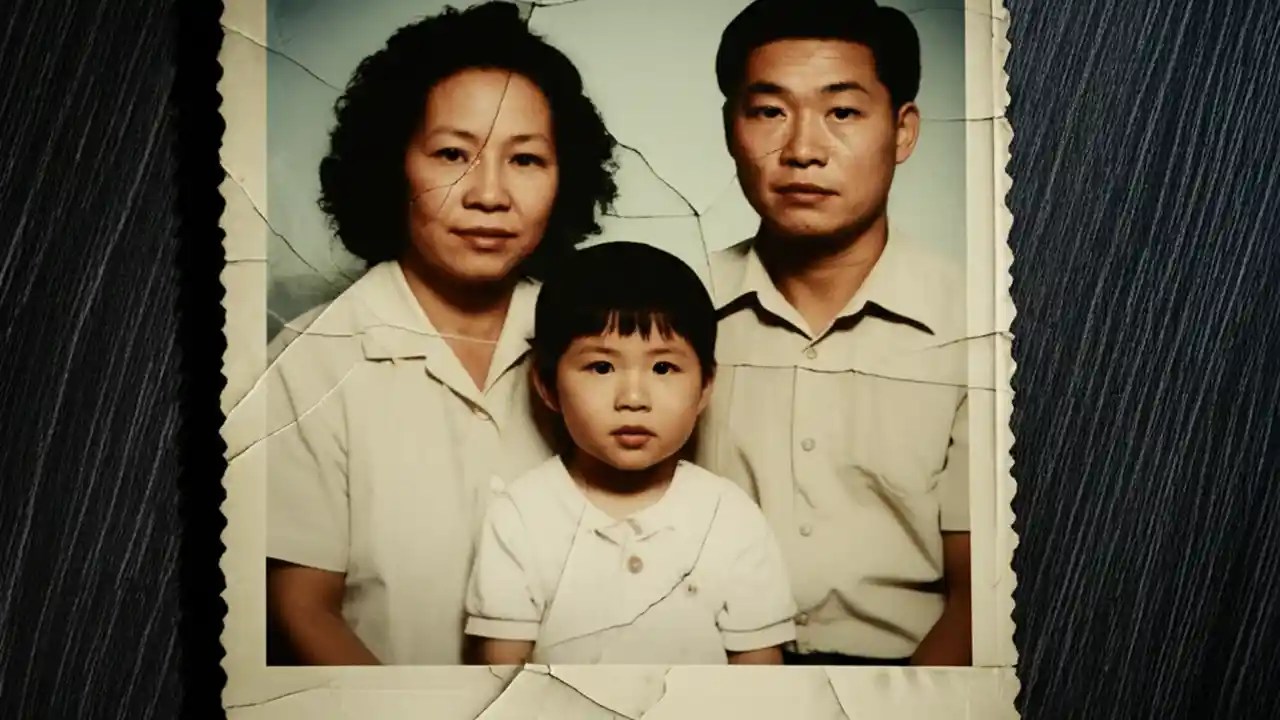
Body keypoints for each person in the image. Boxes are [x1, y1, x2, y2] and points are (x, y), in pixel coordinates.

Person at [263, 1, 618, 665]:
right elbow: (300, 610)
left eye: (527, 160)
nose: (490, 193)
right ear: (392, 165)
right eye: (453, 154)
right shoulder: (308, 362)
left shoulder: (598, 346)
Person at [694, 0, 973, 666]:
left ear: (903, 132)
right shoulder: (674, 313)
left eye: (842, 112)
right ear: (731, 128)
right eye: (769, 111)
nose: (803, 150)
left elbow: (985, 596)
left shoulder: (977, 324)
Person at [463, 241, 797, 665]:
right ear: (547, 385)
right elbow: (500, 685)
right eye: (601, 367)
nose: (633, 398)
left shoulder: (730, 518)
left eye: (663, 368)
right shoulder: (520, 517)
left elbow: (761, 687)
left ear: (705, 388)